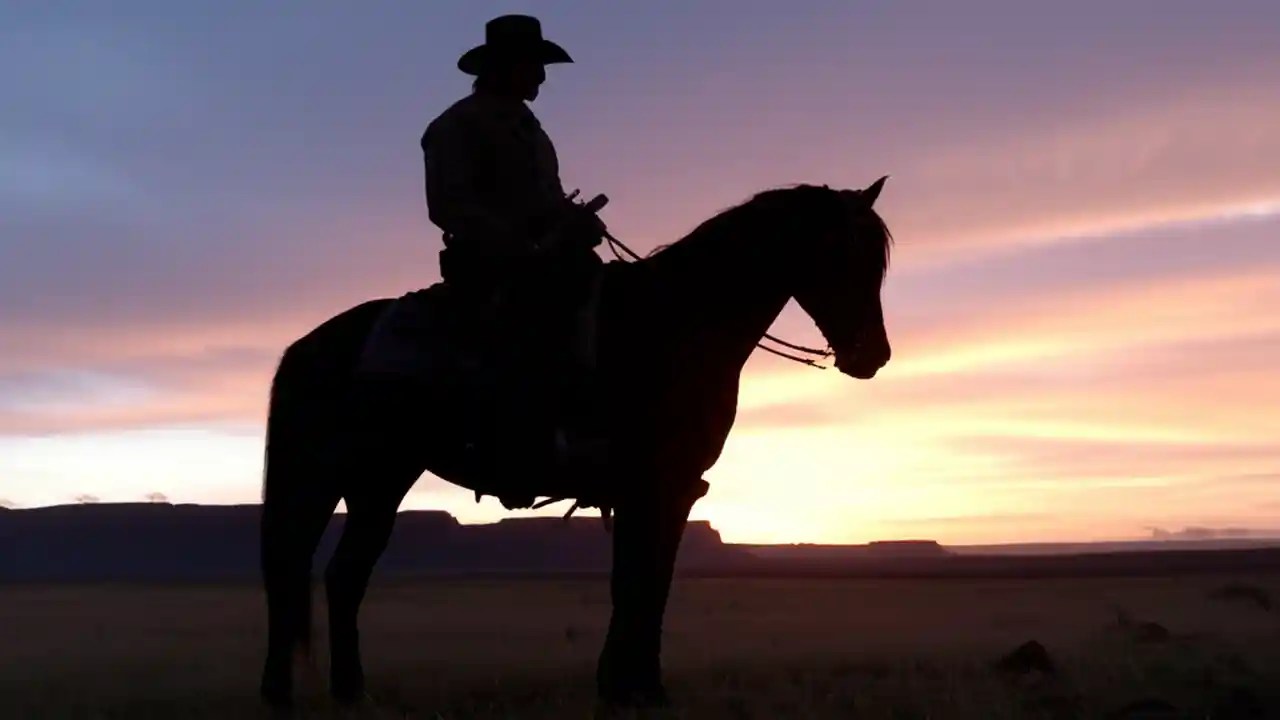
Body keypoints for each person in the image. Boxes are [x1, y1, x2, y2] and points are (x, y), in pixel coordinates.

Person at [421, 14, 608, 496]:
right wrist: (520, 245)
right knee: (543, 321)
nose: (541, 77)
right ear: (503, 68)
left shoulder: (532, 131)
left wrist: (574, 223)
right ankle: (521, 448)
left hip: (550, 258)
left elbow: (548, 199)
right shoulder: (455, 125)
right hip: (488, 262)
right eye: (533, 65)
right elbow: (449, 205)